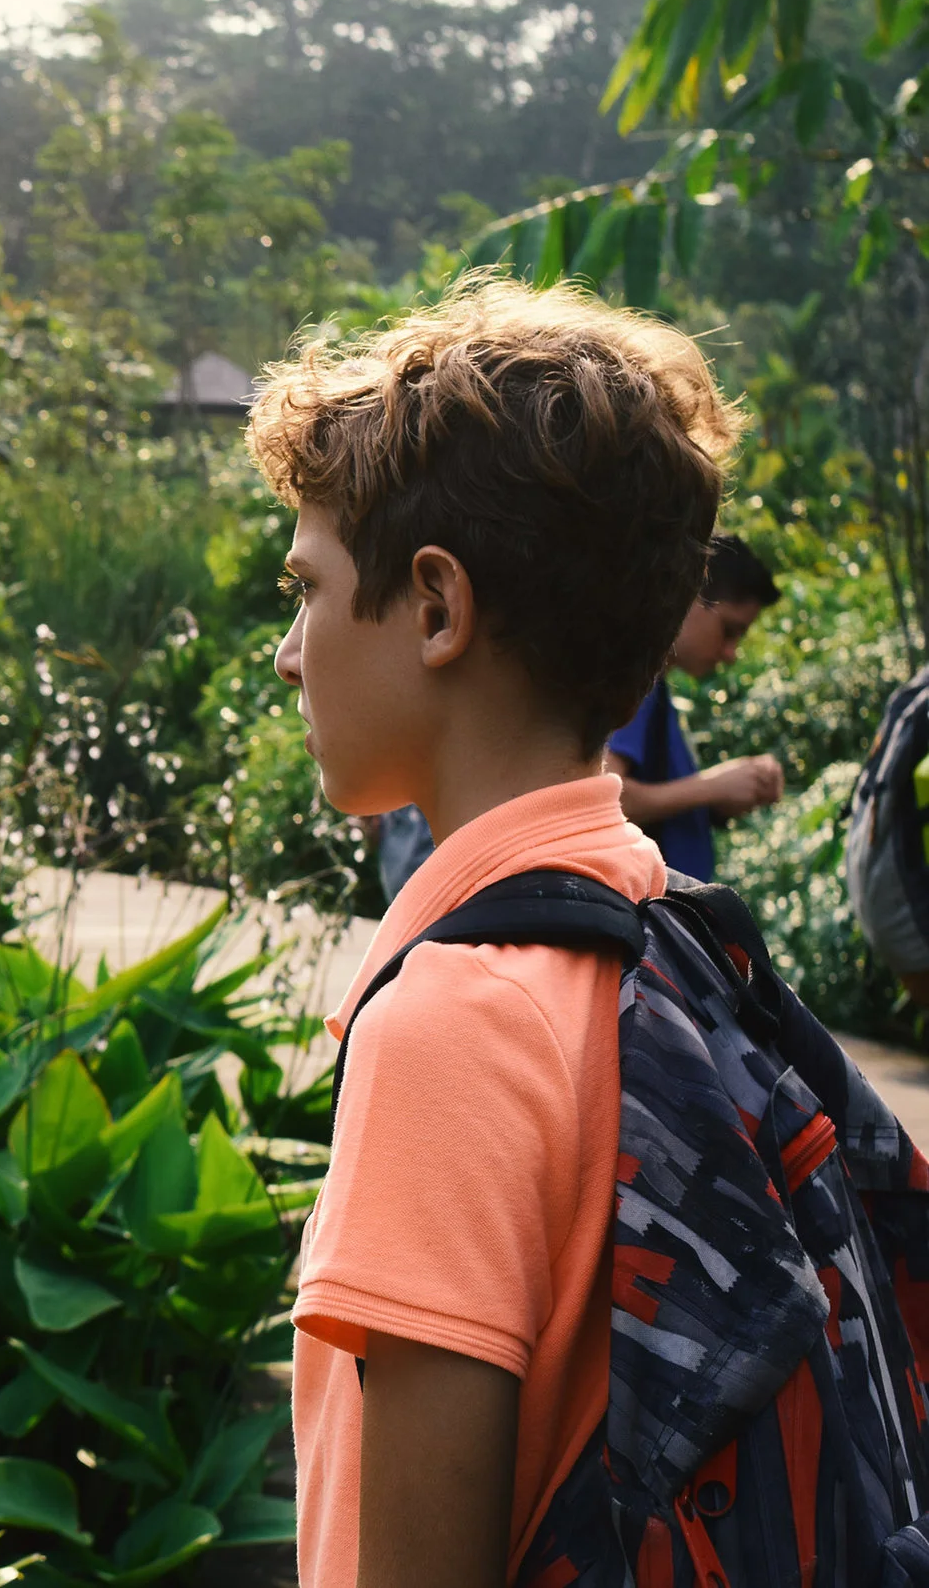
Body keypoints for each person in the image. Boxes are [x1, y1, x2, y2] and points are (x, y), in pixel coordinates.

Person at [249, 276, 742, 1587]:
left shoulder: (453, 1026)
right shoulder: (662, 924)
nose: (288, 653)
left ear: (435, 607)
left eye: (306, 587)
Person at [603, 531, 784, 879]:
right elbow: (608, 796)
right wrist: (712, 787)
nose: (730, 653)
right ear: (690, 593)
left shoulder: (659, 691)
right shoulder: (640, 681)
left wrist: (718, 801)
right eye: (729, 630)